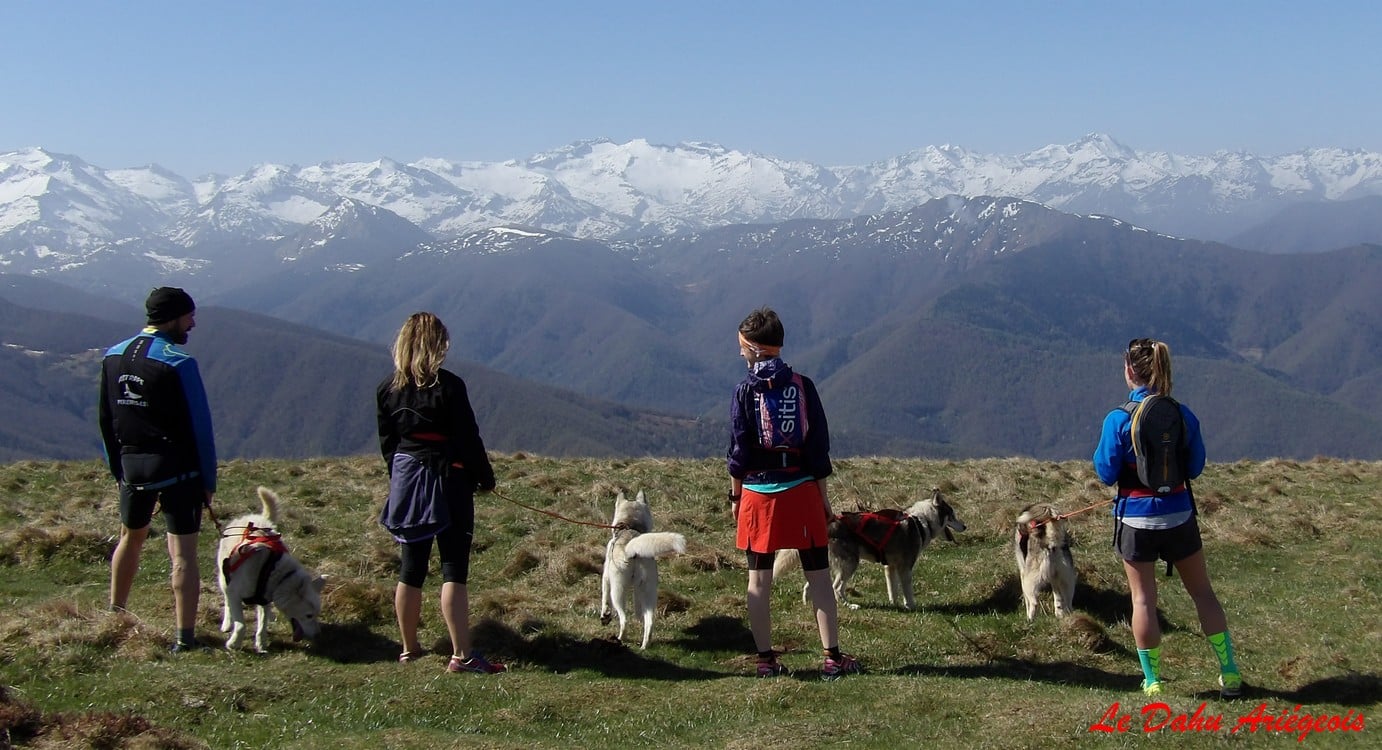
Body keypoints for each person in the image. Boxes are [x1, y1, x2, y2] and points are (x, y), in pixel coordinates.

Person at [1093, 337, 1241, 698]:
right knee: (1203, 593)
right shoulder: (1182, 414)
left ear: (1129, 370)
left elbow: (1105, 472)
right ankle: (1230, 672)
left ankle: (1152, 680)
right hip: (1179, 515)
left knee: (1143, 600)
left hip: (1136, 521)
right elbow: (1196, 466)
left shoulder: (1118, 419)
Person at [726, 307, 861, 680]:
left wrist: (736, 499)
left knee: (758, 580)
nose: (739, 353)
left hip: (757, 494)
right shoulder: (803, 386)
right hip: (801, 490)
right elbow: (818, 448)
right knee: (818, 575)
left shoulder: (744, 392)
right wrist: (824, 497)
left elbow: (738, 452)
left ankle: (766, 660)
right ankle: (832, 657)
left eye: (741, 347)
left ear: (754, 349)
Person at [376, 312, 503, 674]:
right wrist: (485, 478)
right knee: (453, 570)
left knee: (410, 568)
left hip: (407, 482)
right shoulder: (449, 387)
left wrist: (399, 481)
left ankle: (408, 648)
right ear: (437, 345)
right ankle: (462, 655)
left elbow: (389, 445)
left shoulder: (387, 389)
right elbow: (468, 439)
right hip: (450, 481)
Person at [98, 286, 217, 652]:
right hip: (178, 469)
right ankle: (184, 638)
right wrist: (207, 480)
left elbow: (106, 419)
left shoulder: (112, 357)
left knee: (129, 539)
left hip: (132, 467)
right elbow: (200, 427)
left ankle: (116, 614)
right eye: (189, 316)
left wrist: (117, 470)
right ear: (173, 318)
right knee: (182, 555)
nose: (193, 323)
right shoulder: (179, 363)